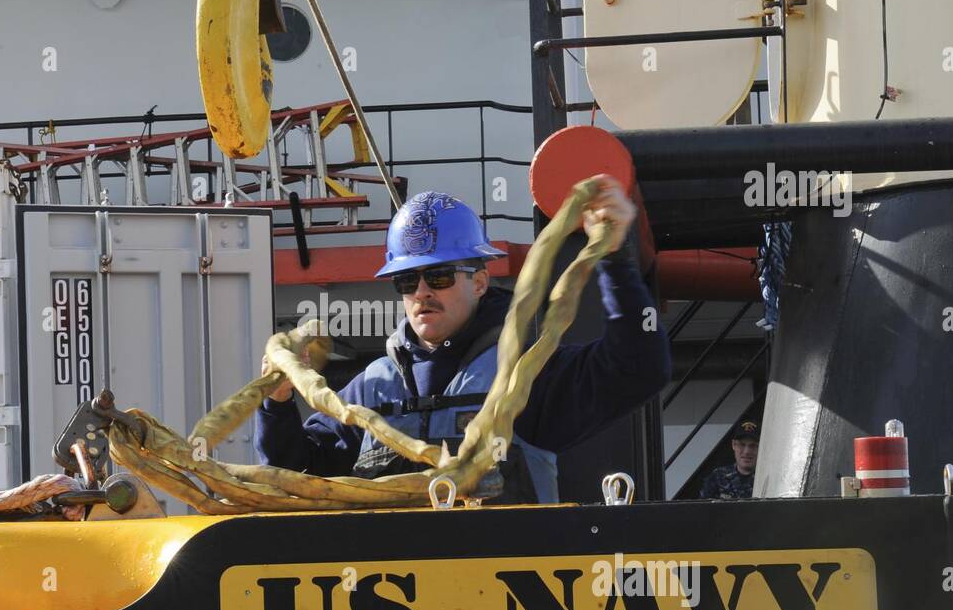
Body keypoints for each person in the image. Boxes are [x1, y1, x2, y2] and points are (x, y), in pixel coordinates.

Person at [256, 183, 672, 504]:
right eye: (407, 281)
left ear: (479, 281)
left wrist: (615, 260)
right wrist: (276, 402)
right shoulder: (371, 388)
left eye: (438, 277)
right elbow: (297, 473)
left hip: (509, 602)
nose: (421, 292)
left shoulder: (526, 375)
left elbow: (638, 369)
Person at [699, 419, 760, 499]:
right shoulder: (717, 478)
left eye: (752, 446)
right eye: (742, 445)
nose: (747, 451)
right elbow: (702, 509)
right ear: (733, 445)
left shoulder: (767, 479)